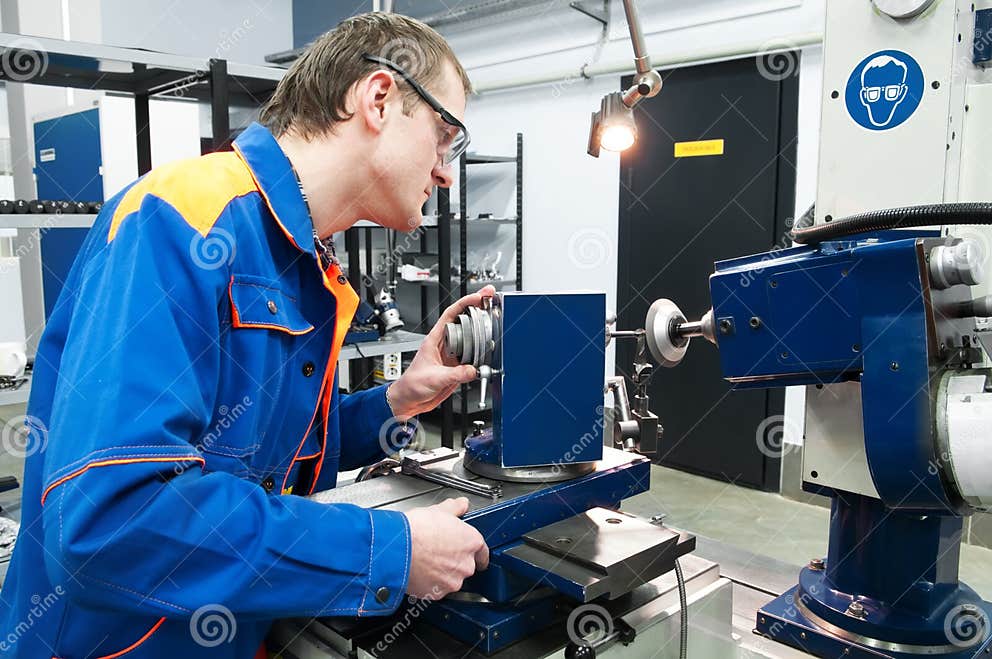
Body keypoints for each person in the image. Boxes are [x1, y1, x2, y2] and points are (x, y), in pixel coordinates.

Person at [0, 12, 491, 657]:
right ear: (378, 100)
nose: (447, 172)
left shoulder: (298, 258)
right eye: (445, 135)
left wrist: (396, 401)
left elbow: (261, 459)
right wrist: (388, 550)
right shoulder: (182, 221)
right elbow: (109, 524)